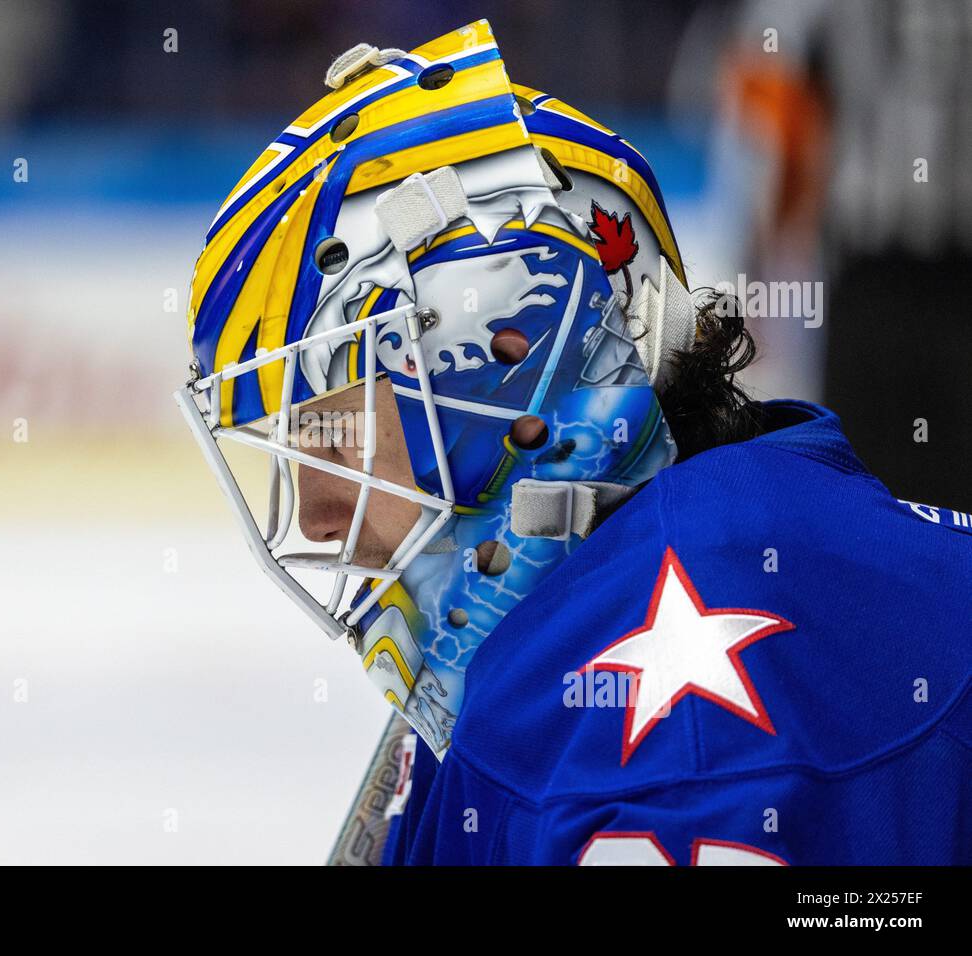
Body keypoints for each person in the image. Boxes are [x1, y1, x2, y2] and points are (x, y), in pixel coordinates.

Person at [175, 21, 971, 865]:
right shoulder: (539, 680)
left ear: (506, 361)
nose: (321, 514)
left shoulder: (628, 749)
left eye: (327, 435)